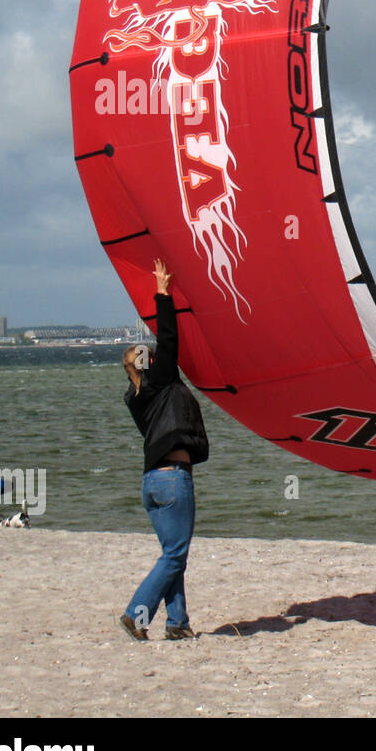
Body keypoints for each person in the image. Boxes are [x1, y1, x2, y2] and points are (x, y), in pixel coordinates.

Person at [120, 259, 209, 642]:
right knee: (174, 556)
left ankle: (178, 624)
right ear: (151, 363)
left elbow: (160, 351)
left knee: (174, 556)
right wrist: (162, 292)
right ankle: (135, 615)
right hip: (173, 480)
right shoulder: (160, 380)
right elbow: (169, 338)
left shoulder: (136, 396)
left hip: (151, 484)